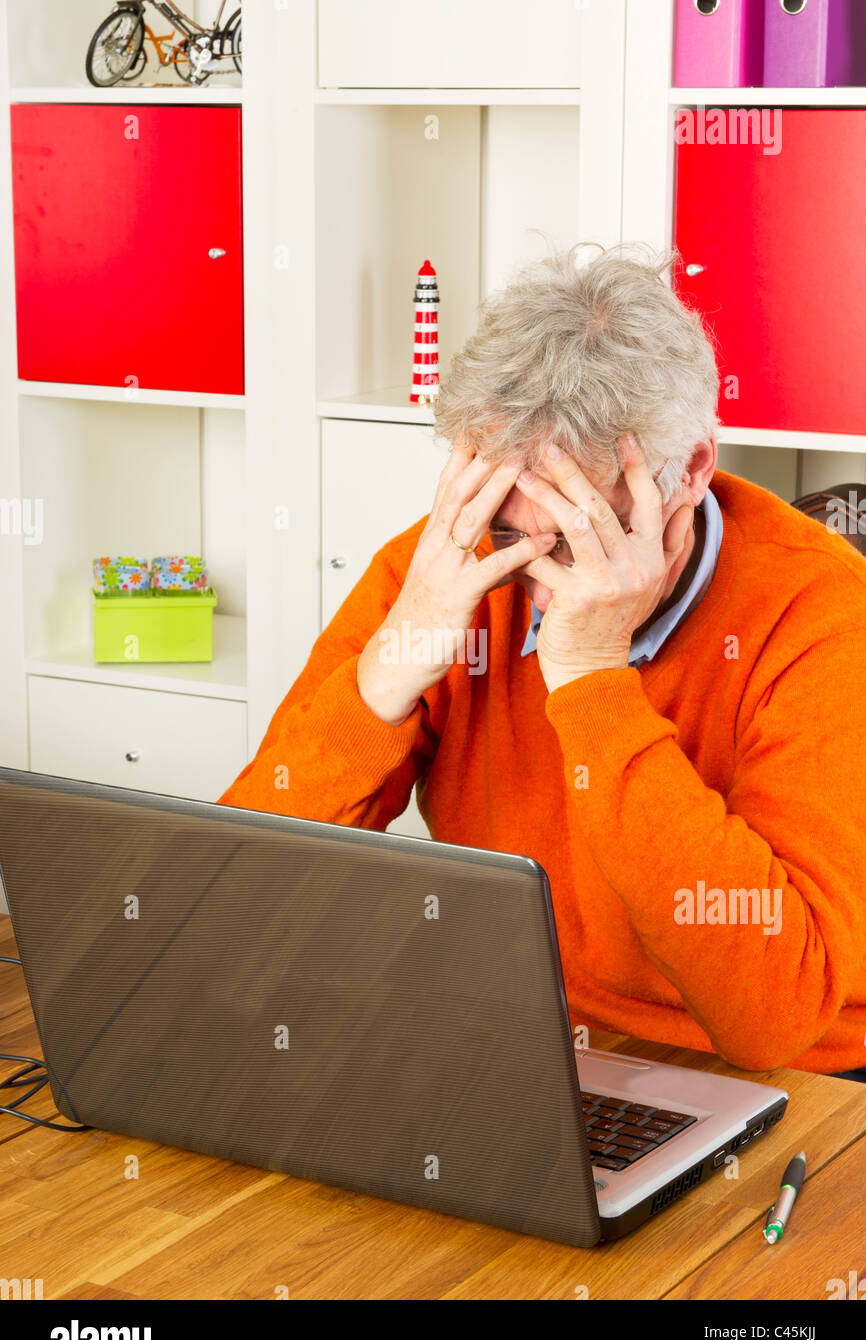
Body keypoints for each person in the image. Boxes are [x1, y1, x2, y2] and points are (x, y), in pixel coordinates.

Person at [219, 246, 866, 1078]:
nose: (530, 575)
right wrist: (397, 657)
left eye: (578, 534)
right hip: (522, 1028)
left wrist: (593, 679)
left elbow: (772, 1018)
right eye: (505, 528)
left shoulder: (828, 618)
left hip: (788, 1082)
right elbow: (245, 900)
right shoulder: (446, 568)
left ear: (692, 472)